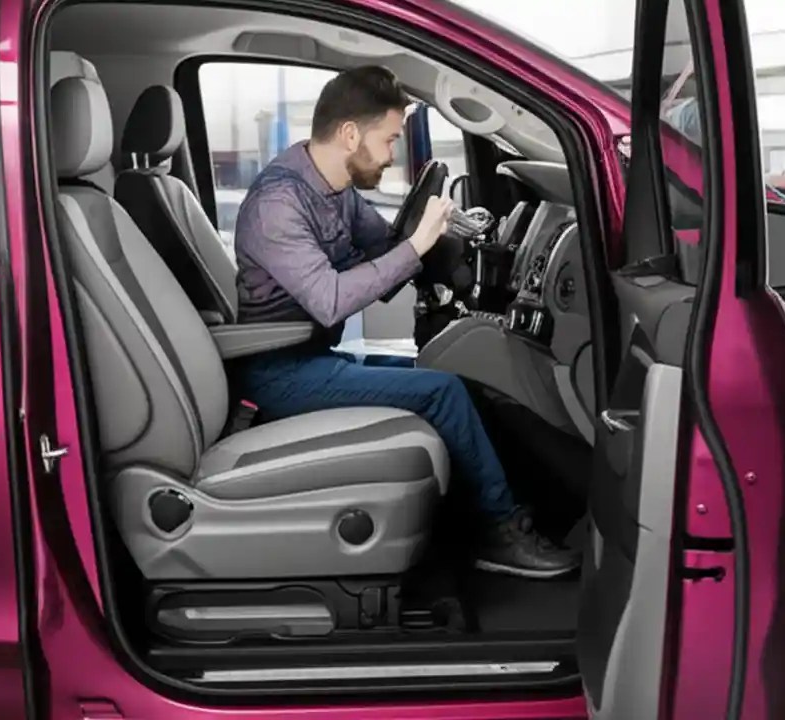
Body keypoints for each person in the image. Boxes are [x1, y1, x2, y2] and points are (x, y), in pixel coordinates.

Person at [231, 65, 579, 579]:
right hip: (278, 374)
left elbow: (385, 247)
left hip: (312, 357)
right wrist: (417, 246)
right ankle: (500, 532)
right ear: (351, 135)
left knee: (452, 377)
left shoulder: (335, 188)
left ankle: (488, 515)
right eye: (389, 139)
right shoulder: (278, 205)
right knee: (443, 392)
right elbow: (331, 300)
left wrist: (447, 232)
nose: (393, 154)